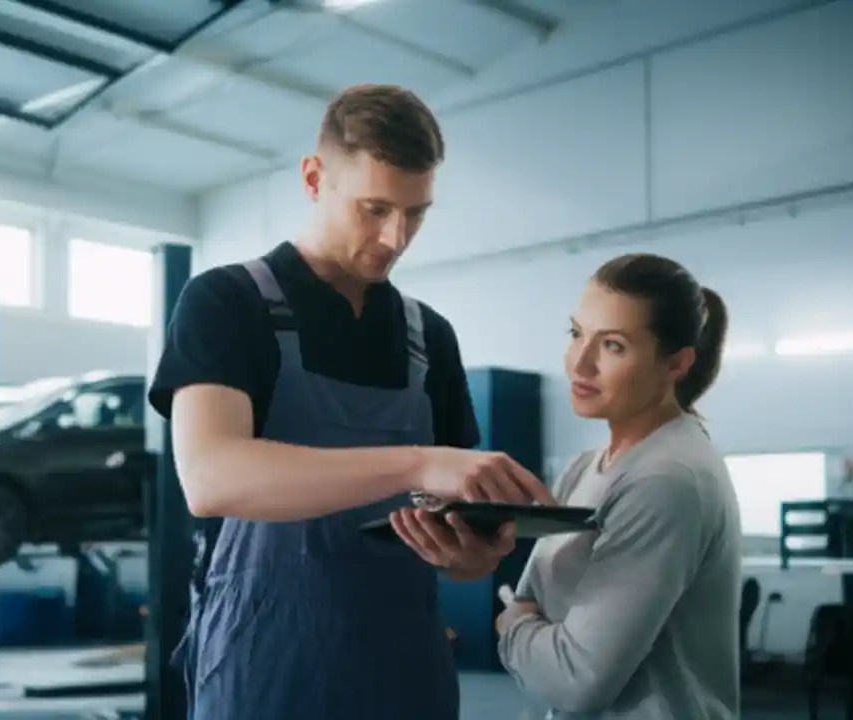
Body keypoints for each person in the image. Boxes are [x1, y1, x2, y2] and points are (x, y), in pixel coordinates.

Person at [147, 83, 551, 720]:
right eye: (374, 208)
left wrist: (475, 554)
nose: (396, 237)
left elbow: (458, 545)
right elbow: (213, 478)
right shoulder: (226, 304)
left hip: (404, 673)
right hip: (264, 673)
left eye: (416, 213)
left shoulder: (430, 338)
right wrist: (416, 463)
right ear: (314, 179)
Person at [441, 253, 739, 719]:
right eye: (577, 333)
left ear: (677, 363)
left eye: (613, 346)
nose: (580, 362)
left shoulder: (665, 480)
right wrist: (526, 621)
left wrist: (515, 628)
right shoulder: (585, 469)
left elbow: (574, 679)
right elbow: (527, 600)